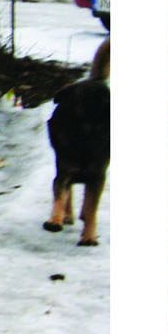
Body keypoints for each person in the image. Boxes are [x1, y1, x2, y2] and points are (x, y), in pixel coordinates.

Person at [44, 39, 108, 247]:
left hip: (96, 145)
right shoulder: (65, 119)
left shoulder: (105, 113)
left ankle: (88, 225)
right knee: (66, 173)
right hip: (69, 141)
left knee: (91, 176)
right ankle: (61, 212)